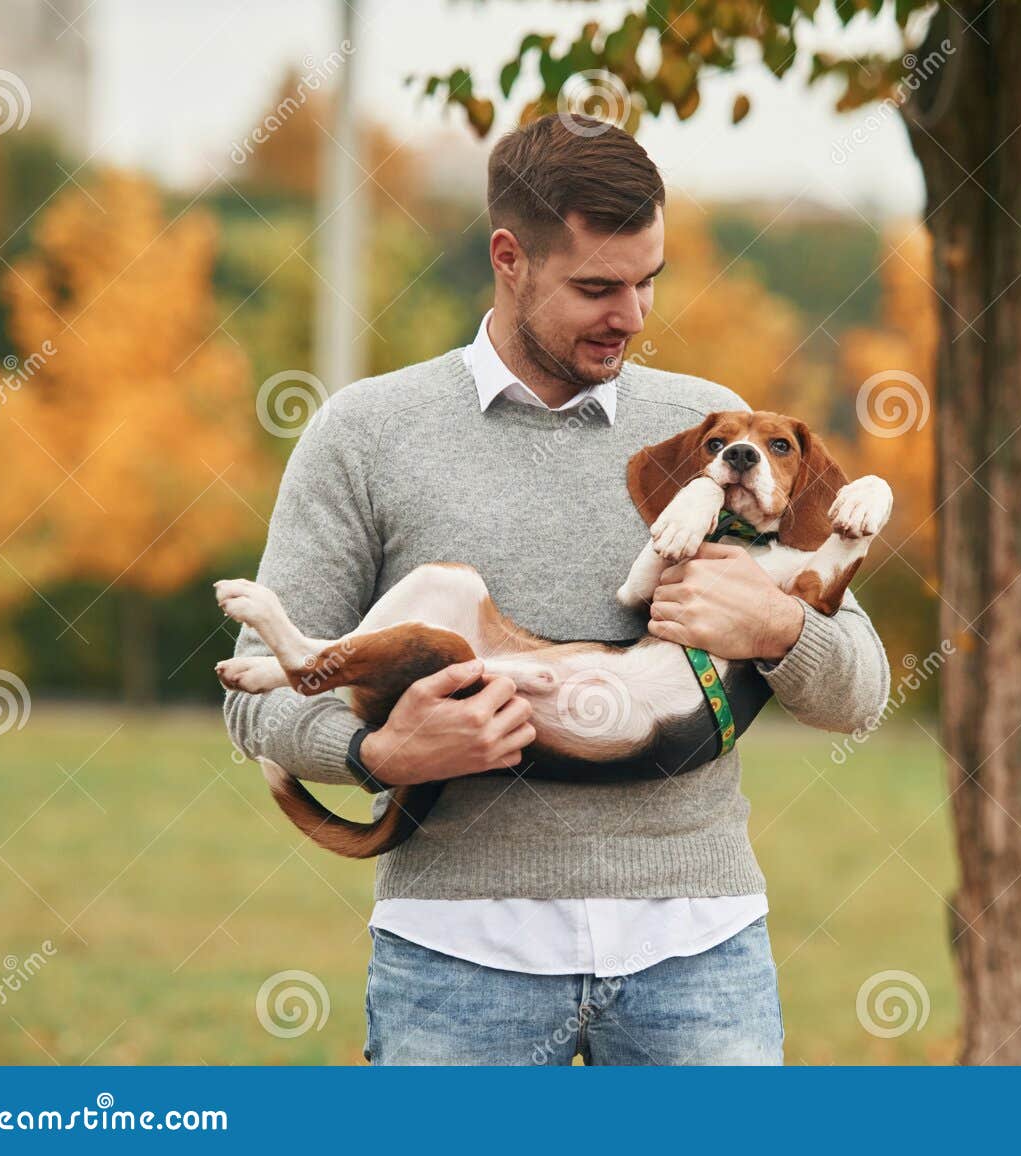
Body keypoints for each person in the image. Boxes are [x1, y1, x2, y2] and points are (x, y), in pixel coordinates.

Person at [222, 113, 891, 1065]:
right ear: (509, 258)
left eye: (648, 281)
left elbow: (861, 691)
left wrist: (781, 626)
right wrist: (376, 751)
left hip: (700, 955)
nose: (633, 315)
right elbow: (256, 700)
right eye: (597, 287)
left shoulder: (715, 435)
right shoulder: (365, 434)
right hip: (456, 963)